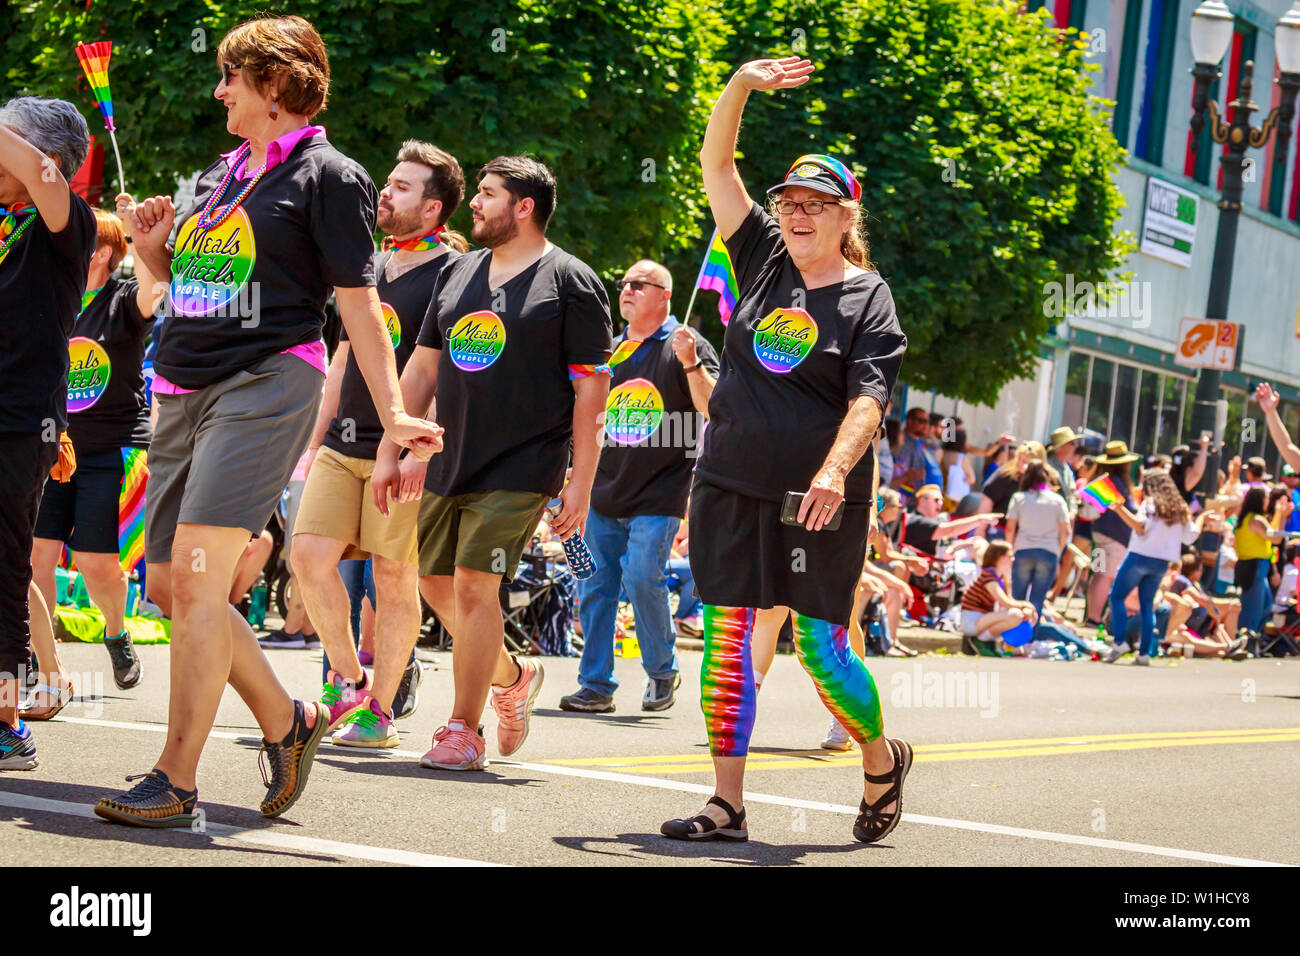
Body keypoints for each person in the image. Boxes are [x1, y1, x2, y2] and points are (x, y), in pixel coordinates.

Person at [94, 16, 439, 825]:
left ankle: (176, 781)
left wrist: (393, 414)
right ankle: (292, 723)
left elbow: (361, 307)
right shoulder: (220, 173)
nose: (218, 91)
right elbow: (190, 283)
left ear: (276, 85)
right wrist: (151, 251)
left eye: (231, 79)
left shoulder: (332, 176)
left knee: (204, 574)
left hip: (265, 381)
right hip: (181, 384)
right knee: (178, 588)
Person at [659, 56, 910, 846]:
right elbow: (715, 162)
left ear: (846, 218)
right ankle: (726, 803)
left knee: (820, 645)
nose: (797, 214)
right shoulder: (762, 255)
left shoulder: (868, 295)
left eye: (816, 205)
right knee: (728, 634)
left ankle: (878, 759)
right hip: (731, 480)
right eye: (789, 203)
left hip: (817, 496)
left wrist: (836, 471)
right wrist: (740, 84)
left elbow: (869, 397)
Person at [385, 154, 613, 770]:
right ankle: (512, 677)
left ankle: (464, 729)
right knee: (433, 582)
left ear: (524, 207)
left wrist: (580, 484)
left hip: (524, 464)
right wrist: (395, 448)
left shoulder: (571, 281)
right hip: (448, 456)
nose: (475, 204)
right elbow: (424, 367)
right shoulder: (457, 275)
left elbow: (593, 390)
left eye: (487, 194)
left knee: (473, 585)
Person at [292, 140, 467, 748]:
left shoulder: (454, 273)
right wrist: (309, 443)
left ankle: (380, 714)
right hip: (344, 446)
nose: (385, 193)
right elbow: (342, 359)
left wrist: (421, 448)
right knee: (308, 558)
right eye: (387, 182)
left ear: (432, 211)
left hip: (408, 452)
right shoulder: (363, 264)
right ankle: (347, 677)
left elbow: (447, 371)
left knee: (395, 579)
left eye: (402, 187)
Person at [558, 260, 719, 714]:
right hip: (602, 489)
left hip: (661, 491)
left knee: (642, 575)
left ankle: (662, 671)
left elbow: (714, 408)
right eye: (623, 283)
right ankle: (595, 684)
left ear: (665, 295)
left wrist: (690, 364)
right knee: (593, 584)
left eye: (638, 284)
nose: (626, 290)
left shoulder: (685, 344)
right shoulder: (610, 350)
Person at [31, 203, 164, 697]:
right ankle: (42, 660)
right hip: (53, 448)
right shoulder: (53, 297)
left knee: (94, 560)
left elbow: (156, 293)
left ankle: (116, 633)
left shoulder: (124, 299)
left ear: (103, 251)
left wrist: (141, 234)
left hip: (115, 448)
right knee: (36, 555)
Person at [0, 96, 96, 771]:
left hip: (17, 418)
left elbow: (33, 168)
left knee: (3, 567)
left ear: (49, 164)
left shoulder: (68, 225)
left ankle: (8, 724)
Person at [1102, 471, 1204, 665]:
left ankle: (1120, 642)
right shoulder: (1179, 508)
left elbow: (1140, 527)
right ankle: (1144, 653)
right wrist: (1203, 518)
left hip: (1139, 556)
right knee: (1147, 604)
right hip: (1161, 562)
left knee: (1117, 596)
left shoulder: (1150, 504)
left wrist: (1119, 509)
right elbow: (1191, 536)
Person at [1005, 460, 1070, 629]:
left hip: (1023, 549)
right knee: (1038, 599)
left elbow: (1010, 528)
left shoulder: (1019, 498)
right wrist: (1058, 550)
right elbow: (1066, 531)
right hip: (1048, 551)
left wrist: (1009, 549)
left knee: (1017, 598)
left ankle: (1014, 638)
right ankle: (1031, 638)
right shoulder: (1057, 500)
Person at [1083, 441, 1139, 625]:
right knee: (1105, 577)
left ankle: (1092, 615)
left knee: (1098, 575)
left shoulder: (1102, 481)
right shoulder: (1116, 483)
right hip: (1114, 539)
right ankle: (1095, 618)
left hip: (1098, 535)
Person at [958, 541, 1035, 655]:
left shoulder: (1002, 577)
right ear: (999, 557)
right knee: (1015, 615)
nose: (1013, 559)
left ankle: (1008, 645)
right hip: (972, 620)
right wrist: (1027, 605)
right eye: (1009, 556)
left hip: (985, 617)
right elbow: (1005, 602)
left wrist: (1028, 609)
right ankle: (980, 640)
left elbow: (1010, 601)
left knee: (1028, 614)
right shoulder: (988, 575)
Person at [1233, 486, 1288, 638]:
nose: (1268, 501)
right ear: (1260, 500)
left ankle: (1252, 638)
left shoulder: (1253, 518)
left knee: (1265, 605)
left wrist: (1281, 515)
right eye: (1267, 498)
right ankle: (1244, 640)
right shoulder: (1256, 519)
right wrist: (1279, 513)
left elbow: (1274, 535)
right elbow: (1276, 538)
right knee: (1253, 608)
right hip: (1253, 566)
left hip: (1258, 565)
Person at [940, 428, 974, 510]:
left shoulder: (941, 453)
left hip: (939, 492)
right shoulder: (961, 458)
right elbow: (972, 479)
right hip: (954, 498)